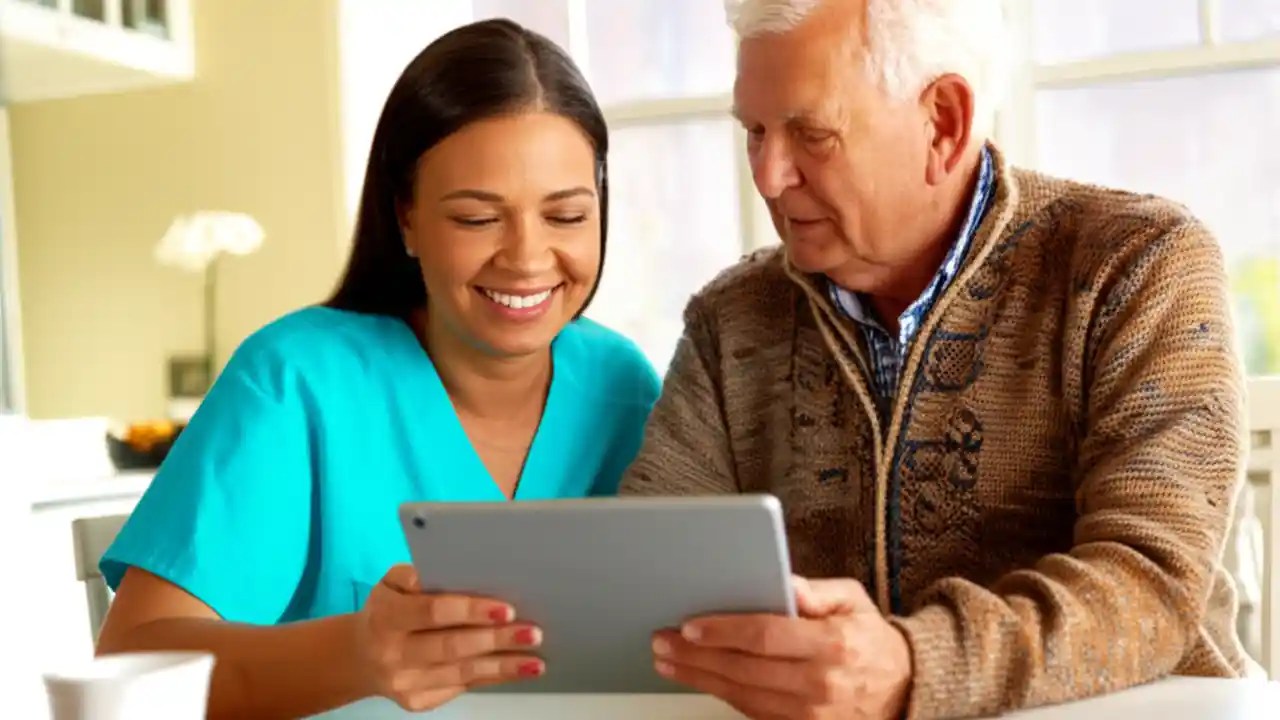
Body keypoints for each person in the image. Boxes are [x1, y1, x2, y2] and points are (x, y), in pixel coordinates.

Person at [622, 1, 1251, 718]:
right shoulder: (731, 319)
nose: (769, 175)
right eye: (755, 132)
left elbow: (1151, 584)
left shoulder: (1138, 263)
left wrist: (914, 665)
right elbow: (651, 573)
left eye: (811, 134)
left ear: (943, 123)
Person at [95, 19, 659, 719]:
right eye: (478, 219)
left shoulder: (625, 388)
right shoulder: (294, 382)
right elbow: (132, 664)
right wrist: (358, 653)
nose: (528, 257)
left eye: (566, 215)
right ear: (407, 219)